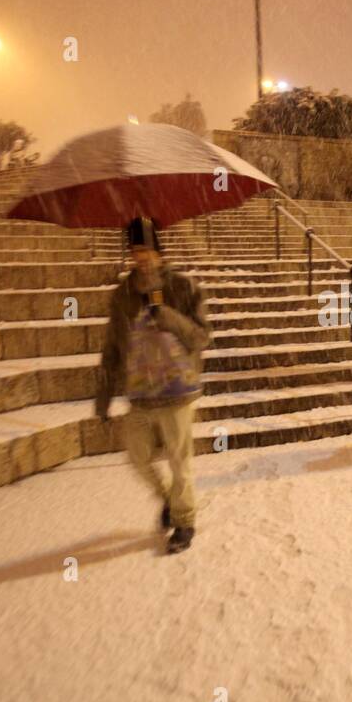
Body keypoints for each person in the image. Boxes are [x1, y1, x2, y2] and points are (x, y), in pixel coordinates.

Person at [96, 217, 212, 554]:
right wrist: (103, 397)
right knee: (137, 456)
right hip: (141, 395)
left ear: (159, 252)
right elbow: (112, 347)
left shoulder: (183, 287)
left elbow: (201, 337)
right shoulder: (123, 295)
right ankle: (169, 500)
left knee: (179, 462)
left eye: (146, 249)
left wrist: (167, 316)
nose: (141, 257)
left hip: (178, 392)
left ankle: (184, 522)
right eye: (135, 251)